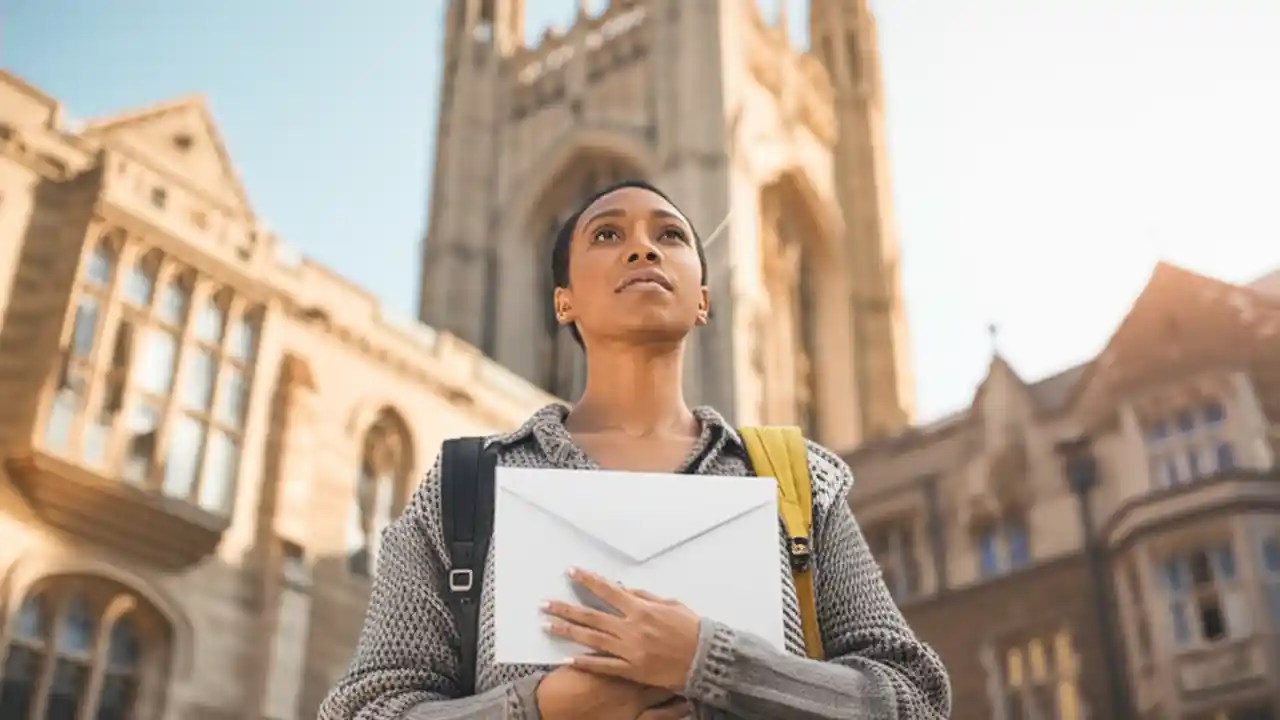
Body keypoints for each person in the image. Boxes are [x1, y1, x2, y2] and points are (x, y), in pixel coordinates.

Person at [319, 180, 951, 720]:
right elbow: (365, 711)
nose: (644, 247)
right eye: (606, 235)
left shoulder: (797, 484)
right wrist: (540, 706)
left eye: (671, 236)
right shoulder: (465, 486)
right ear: (562, 300)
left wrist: (711, 660)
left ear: (703, 299)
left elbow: (916, 700)